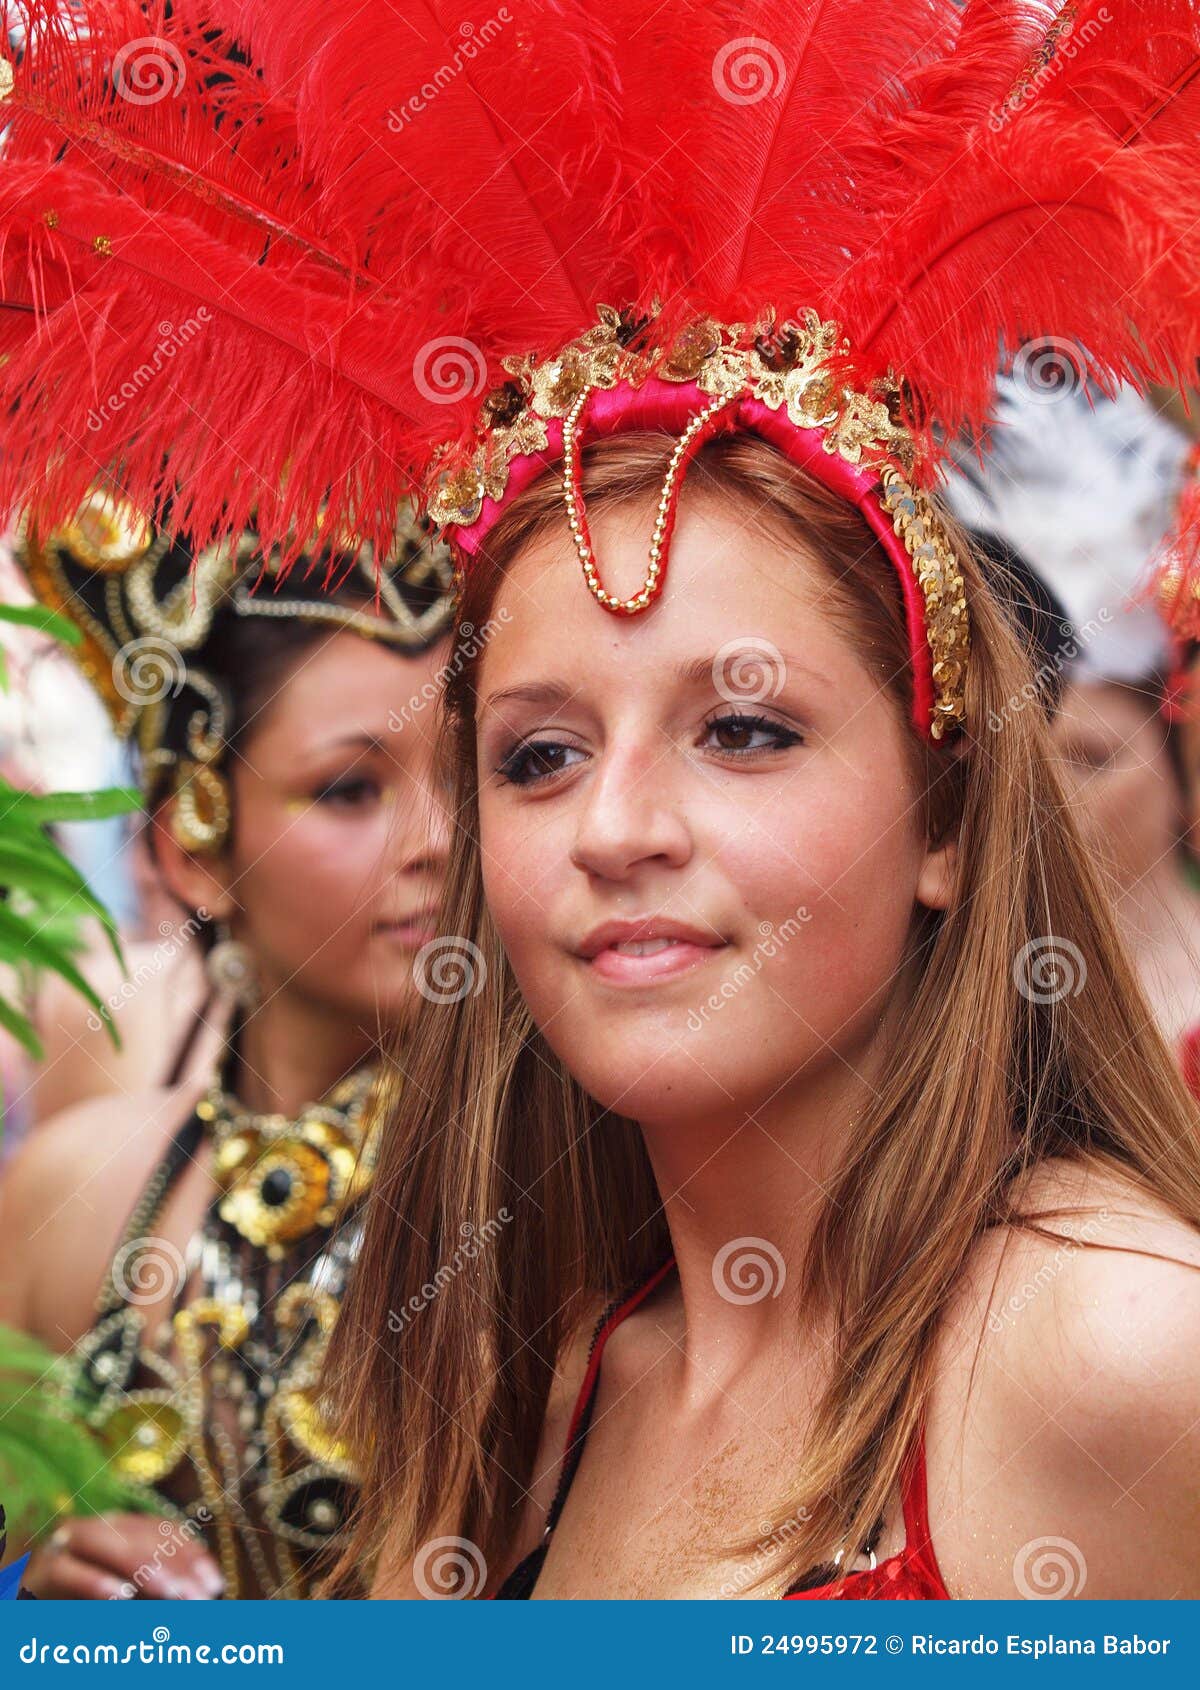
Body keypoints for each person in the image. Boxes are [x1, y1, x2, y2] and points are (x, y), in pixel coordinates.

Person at [1, 0, 1199, 1605]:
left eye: (747, 730)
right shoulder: (548, 1362)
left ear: (948, 820)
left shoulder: (1108, 1343)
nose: (614, 827)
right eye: (539, 756)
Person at [0, 496, 455, 1598]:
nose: (440, 839)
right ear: (195, 848)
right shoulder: (74, 1194)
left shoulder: (574, 1181)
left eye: (481, 767)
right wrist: (48, 1598)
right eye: (351, 789)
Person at [943, 377, 1200, 1057]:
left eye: (1092, 757)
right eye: (1013, 762)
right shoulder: (938, 1033)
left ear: (1179, 770)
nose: (1050, 799)